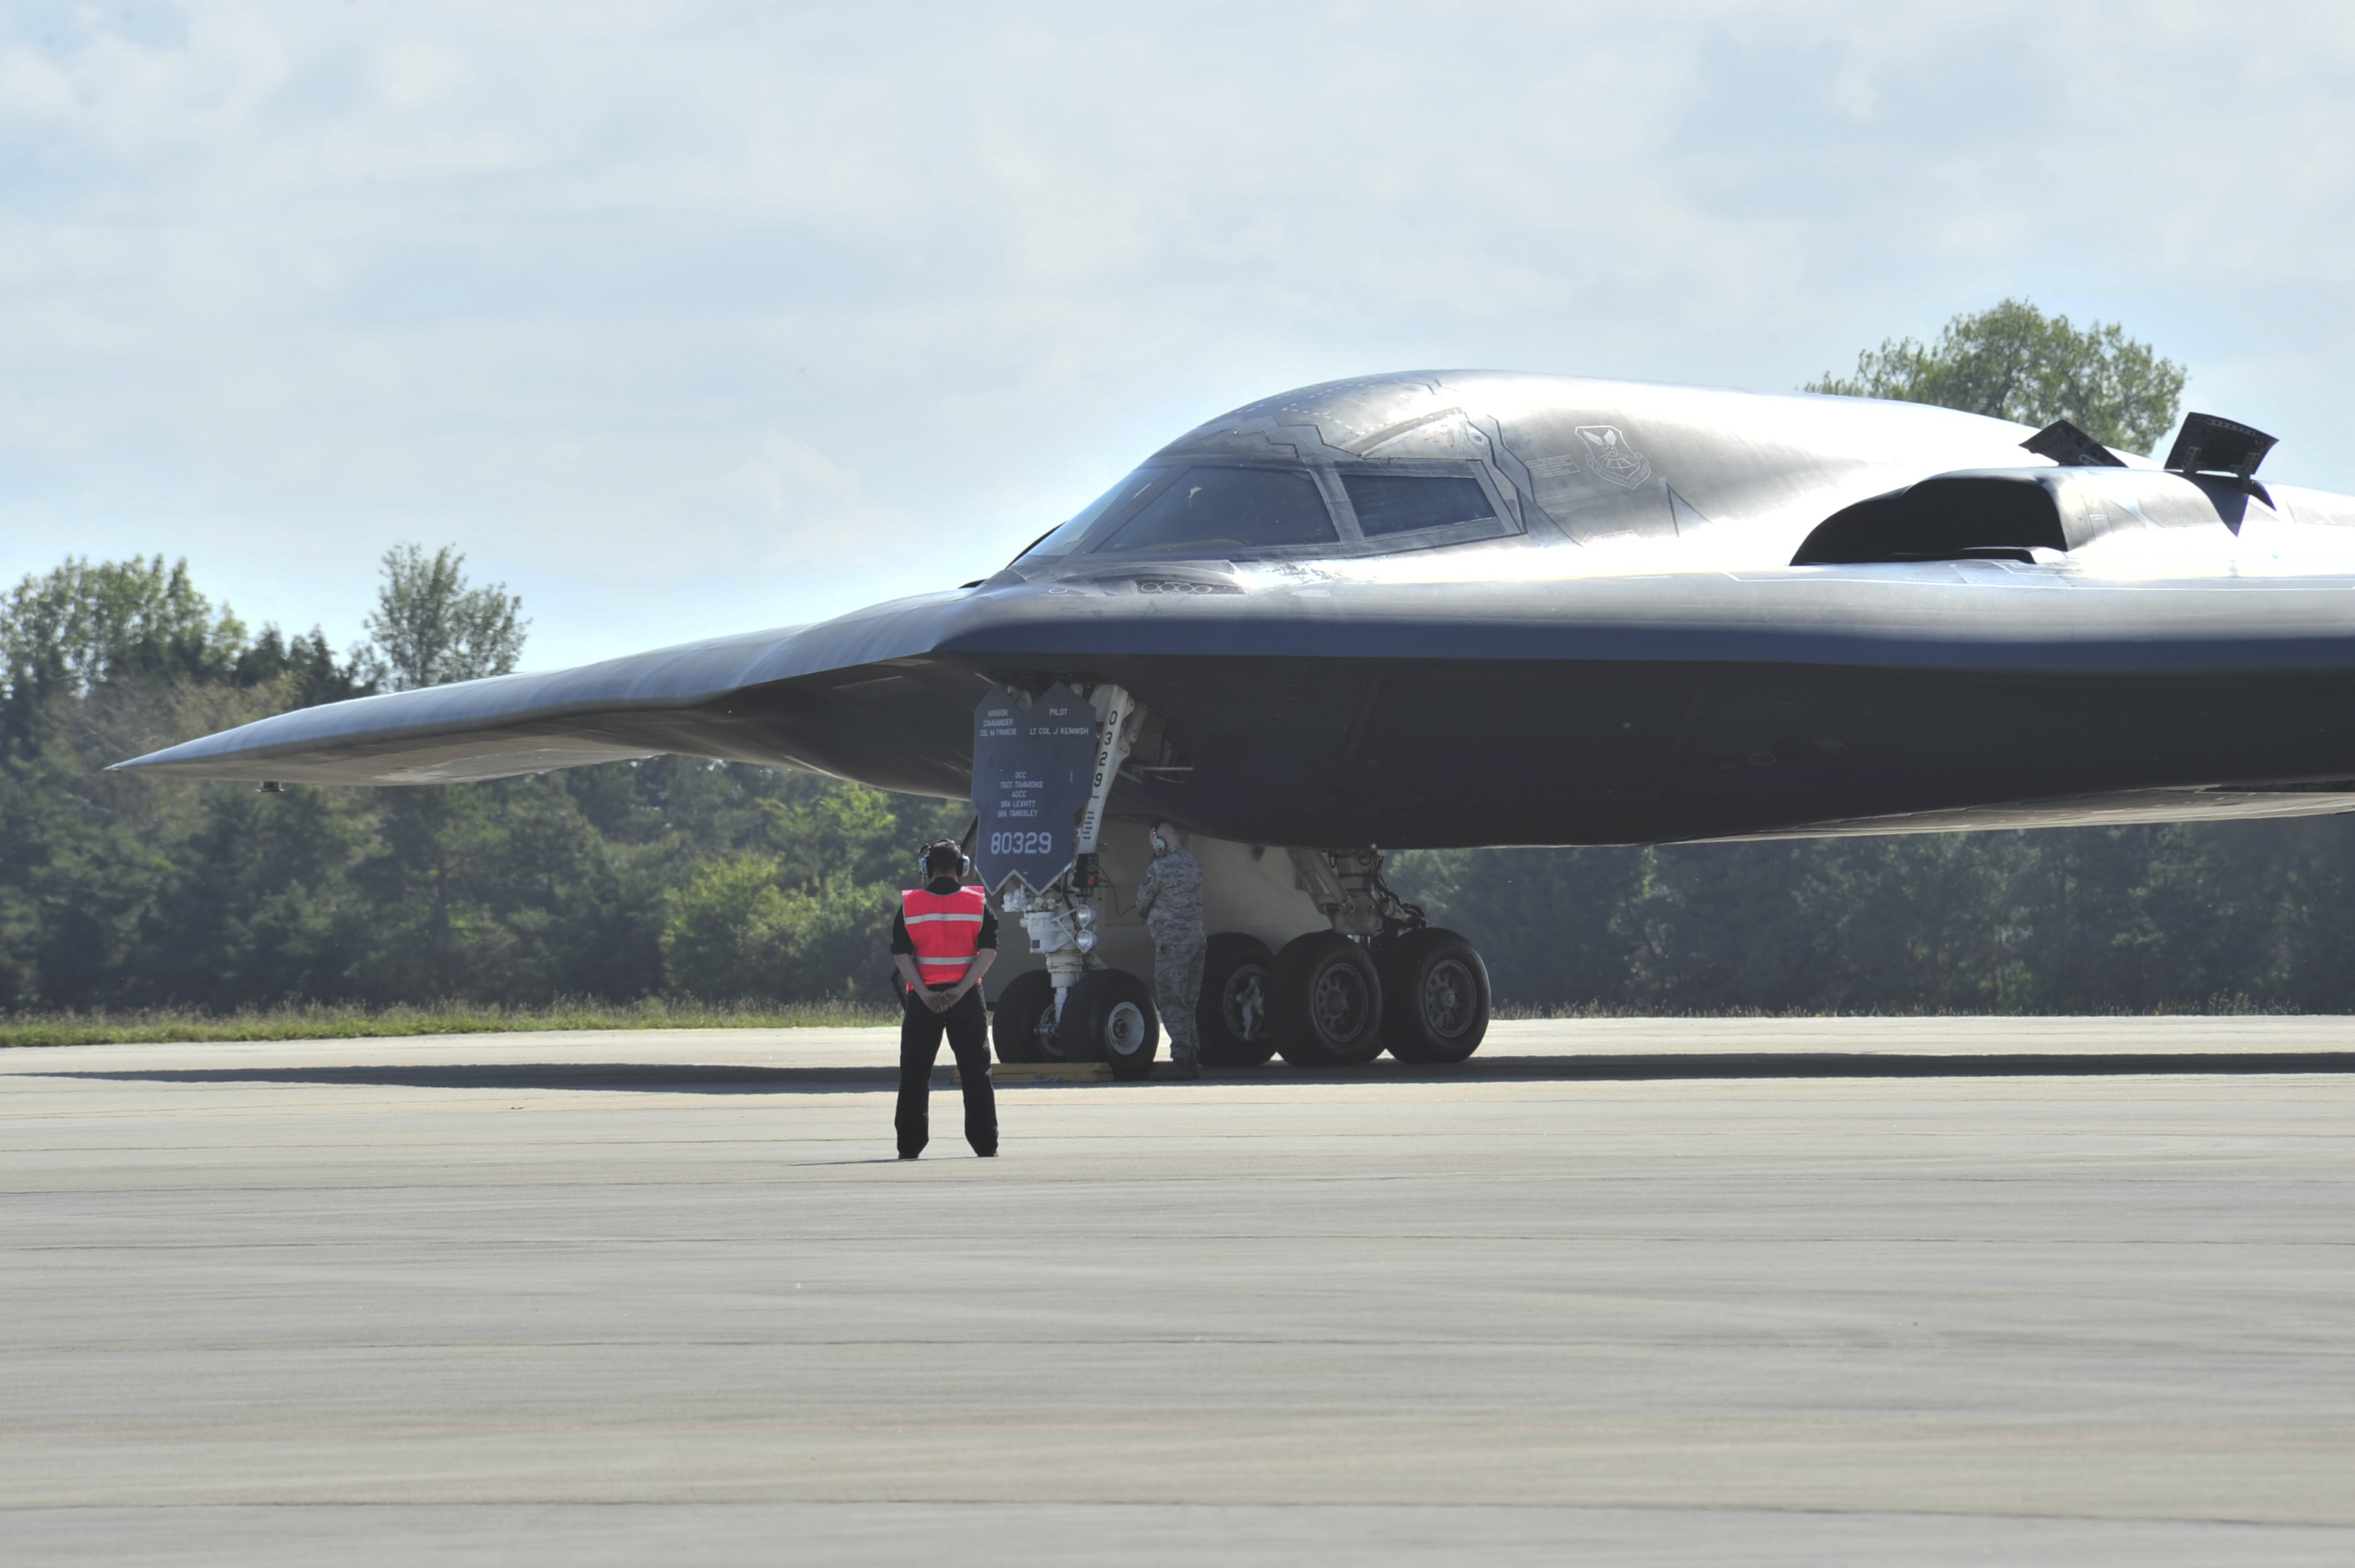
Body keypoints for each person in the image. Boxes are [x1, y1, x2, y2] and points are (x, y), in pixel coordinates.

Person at [891, 839, 998, 1159]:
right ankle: (984, 1145)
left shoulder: (911, 905)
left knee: (914, 1073)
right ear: (961, 868)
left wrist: (925, 994)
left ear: (927, 868)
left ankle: (909, 1147)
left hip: (923, 1000)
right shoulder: (977, 903)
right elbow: (988, 952)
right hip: (965, 999)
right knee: (976, 1072)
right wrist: (961, 990)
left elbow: (901, 955)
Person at [1135, 820, 1206, 1078]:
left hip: (1172, 945)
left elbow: (1142, 901)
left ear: (1159, 840)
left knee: (1172, 1003)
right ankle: (1192, 1059)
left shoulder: (1160, 869)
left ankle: (1180, 1062)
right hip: (1197, 943)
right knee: (1188, 1003)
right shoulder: (1194, 865)